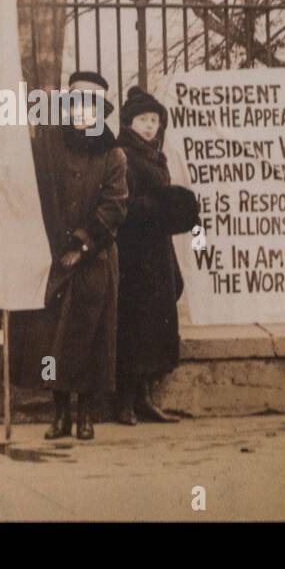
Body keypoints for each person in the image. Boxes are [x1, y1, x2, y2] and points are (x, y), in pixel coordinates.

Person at [9, 71, 128, 440]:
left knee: (88, 339)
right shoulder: (48, 147)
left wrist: (84, 244)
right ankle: (59, 414)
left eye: (90, 107)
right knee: (52, 341)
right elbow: (31, 187)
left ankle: (85, 415)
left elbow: (115, 206)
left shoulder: (113, 154)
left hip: (94, 259)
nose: (82, 114)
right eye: (76, 105)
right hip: (53, 259)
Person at [114, 87, 200, 425]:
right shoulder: (122, 155)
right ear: (129, 122)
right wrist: (163, 206)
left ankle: (145, 397)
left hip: (157, 252)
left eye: (154, 120)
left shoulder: (156, 155)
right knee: (132, 325)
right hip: (133, 253)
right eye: (143, 120)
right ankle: (124, 402)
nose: (150, 126)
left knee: (154, 325)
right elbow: (123, 204)